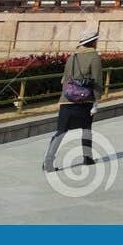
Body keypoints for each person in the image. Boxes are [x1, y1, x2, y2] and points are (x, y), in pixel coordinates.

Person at [43, 27, 105, 173]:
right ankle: (87, 157)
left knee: (61, 130)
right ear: (93, 42)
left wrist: (68, 94)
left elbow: (64, 79)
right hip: (85, 100)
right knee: (86, 129)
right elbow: (97, 80)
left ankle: (48, 162)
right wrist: (97, 101)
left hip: (67, 98)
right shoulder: (94, 56)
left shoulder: (72, 57)